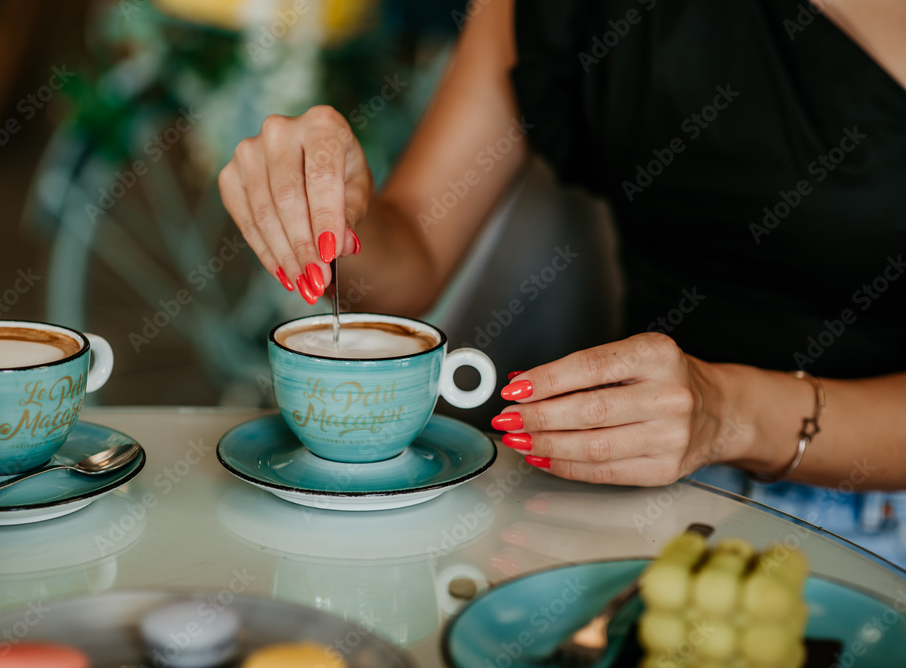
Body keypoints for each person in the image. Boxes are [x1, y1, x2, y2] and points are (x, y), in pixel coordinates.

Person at [219, 0, 906, 563]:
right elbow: (402, 277)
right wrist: (327, 216)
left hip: (877, 512)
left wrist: (728, 414)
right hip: (639, 489)